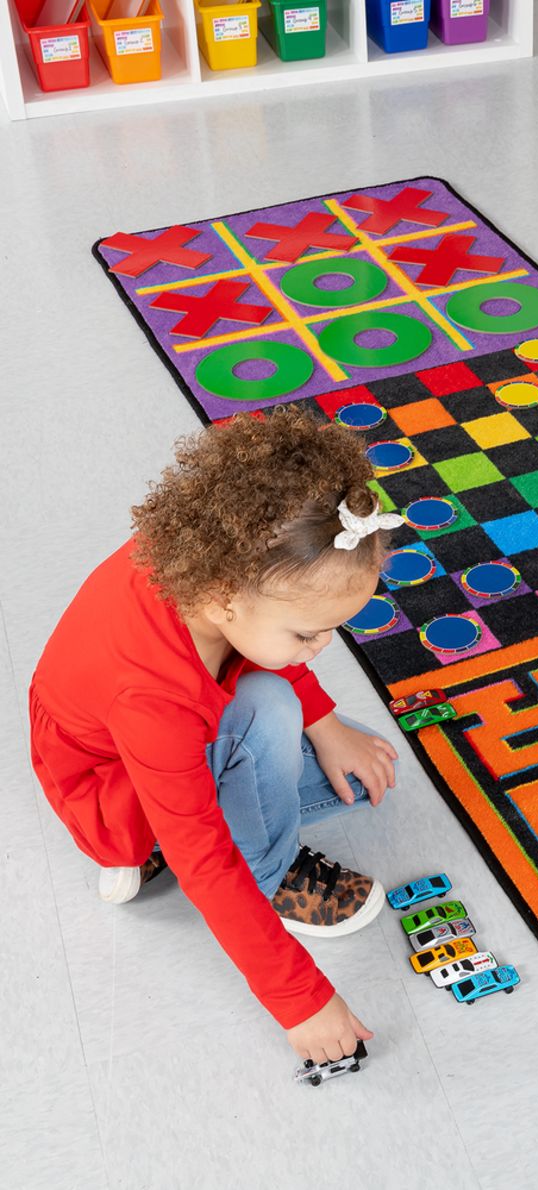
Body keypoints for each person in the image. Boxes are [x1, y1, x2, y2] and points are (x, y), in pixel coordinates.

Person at [28, 410, 403, 1068]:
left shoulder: (207, 563)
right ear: (227, 600)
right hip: (113, 793)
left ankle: (193, 832)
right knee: (271, 712)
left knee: (348, 751)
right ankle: (266, 872)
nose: (320, 648)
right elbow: (203, 858)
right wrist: (301, 1001)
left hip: (140, 744)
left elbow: (259, 646)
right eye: (308, 634)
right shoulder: (150, 696)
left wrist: (328, 724)